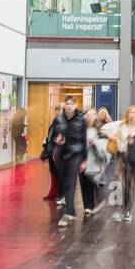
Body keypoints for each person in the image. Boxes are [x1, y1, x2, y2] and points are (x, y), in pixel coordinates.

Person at [103, 106, 135, 221]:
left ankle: (127, 210)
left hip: (133, 160)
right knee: (118, 182)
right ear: (127, 113)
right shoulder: (120, 124)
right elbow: (104, 129)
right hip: (120, 156)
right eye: (131, 112)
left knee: (130, 185)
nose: (133, 114)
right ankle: (118, 210)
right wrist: (112, 136)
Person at [50, 97, 87, 229]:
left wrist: (84, 159)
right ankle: (70, 210)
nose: (69, 106)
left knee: (70, 182)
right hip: (60, 153)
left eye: (72, 104)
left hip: (75, 154)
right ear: (64, 105)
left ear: (75, 105)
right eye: (67, 104)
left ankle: (68, 213)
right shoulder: (58, 119)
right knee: (64, 182)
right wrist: (56, 144)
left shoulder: (81, 120)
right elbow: (53, 136)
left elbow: (84, 140)